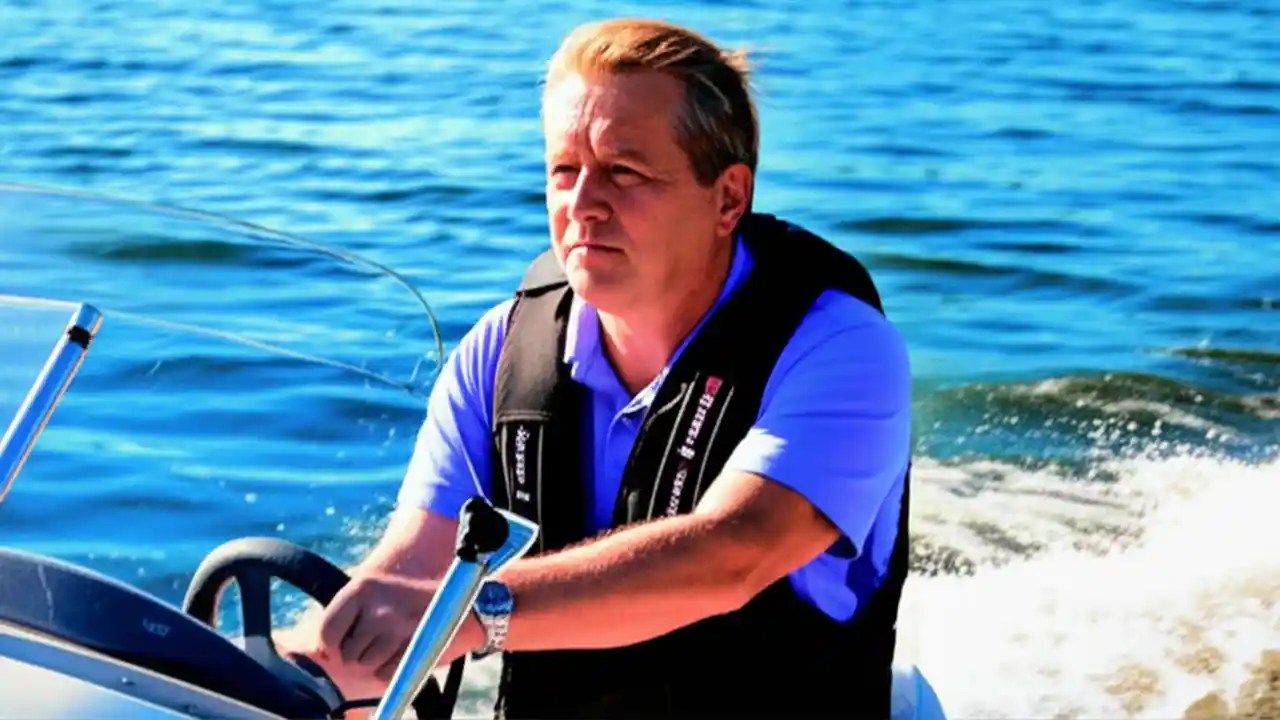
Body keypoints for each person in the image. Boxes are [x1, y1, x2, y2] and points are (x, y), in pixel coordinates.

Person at [287, 17, 913, 718]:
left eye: (624, 171)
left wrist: (472, 615)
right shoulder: (499, 355)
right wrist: (282, 669)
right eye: (564, 170)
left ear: (728, 199)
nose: (582, 206)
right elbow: (406, 578)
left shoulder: (840, 350)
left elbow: (736, 554)